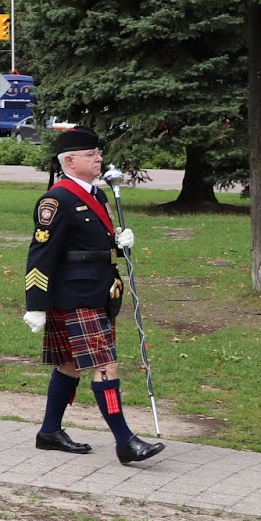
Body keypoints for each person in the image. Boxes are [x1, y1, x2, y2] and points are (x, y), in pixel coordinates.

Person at [24, 128, 162, 465]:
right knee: (105, 364)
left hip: (98, 290)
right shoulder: (56, 200)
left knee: (69, 365)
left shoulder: (97, 194)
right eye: (91, 155)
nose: (99, 158)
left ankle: (49, 432)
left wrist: (119, 243)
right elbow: (40, 254)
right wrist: (36, 305)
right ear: (70, 161)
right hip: (74, 294)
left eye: (98, 153)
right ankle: (125, 441)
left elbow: (91, 243)